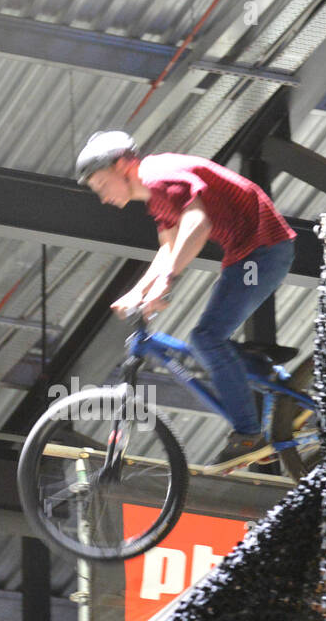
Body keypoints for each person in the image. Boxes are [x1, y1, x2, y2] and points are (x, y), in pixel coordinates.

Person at [74, 130, 296, 465]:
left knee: (206, 338)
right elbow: (169, 246)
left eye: (101, 185)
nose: (103, 198)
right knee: (206, 345)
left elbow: (198, 223)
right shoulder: (155, 192)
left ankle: (250, 436)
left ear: (122, 165)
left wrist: (168, 279)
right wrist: (139, 291)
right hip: (249, 253)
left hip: (263, 251)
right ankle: (267, 378)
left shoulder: (159, 177)